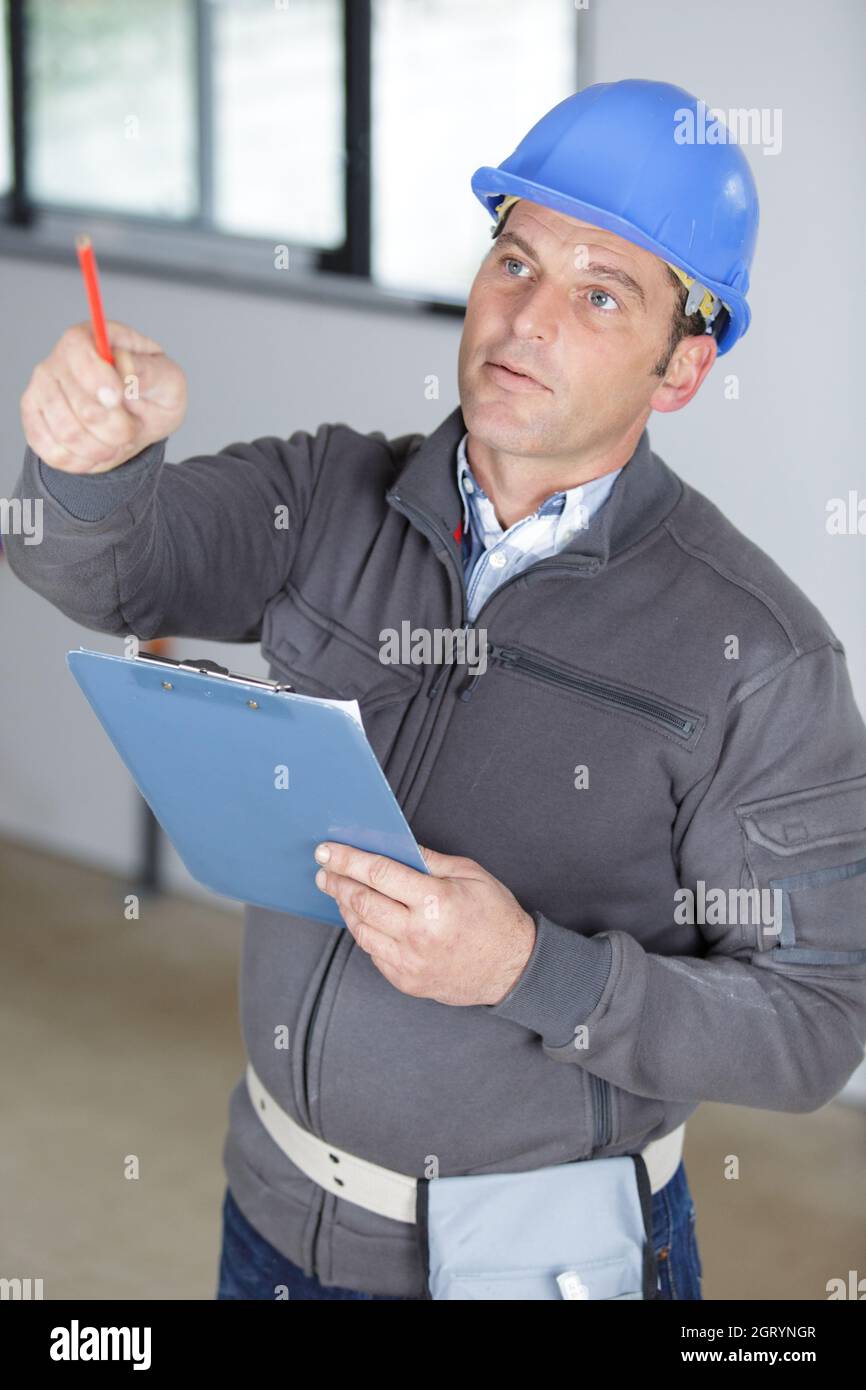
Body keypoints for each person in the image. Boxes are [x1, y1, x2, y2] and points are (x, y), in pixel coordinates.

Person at [7, 79, 866, 1302]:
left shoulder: (761, 654)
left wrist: (525, 968)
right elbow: (105, 568)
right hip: (271, 1217)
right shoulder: (329, 492)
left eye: (599, 293)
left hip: (534, 1268)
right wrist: (85, 466)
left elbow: (814, 1025)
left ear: (681, 366)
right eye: (512, 261)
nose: (525, 320)